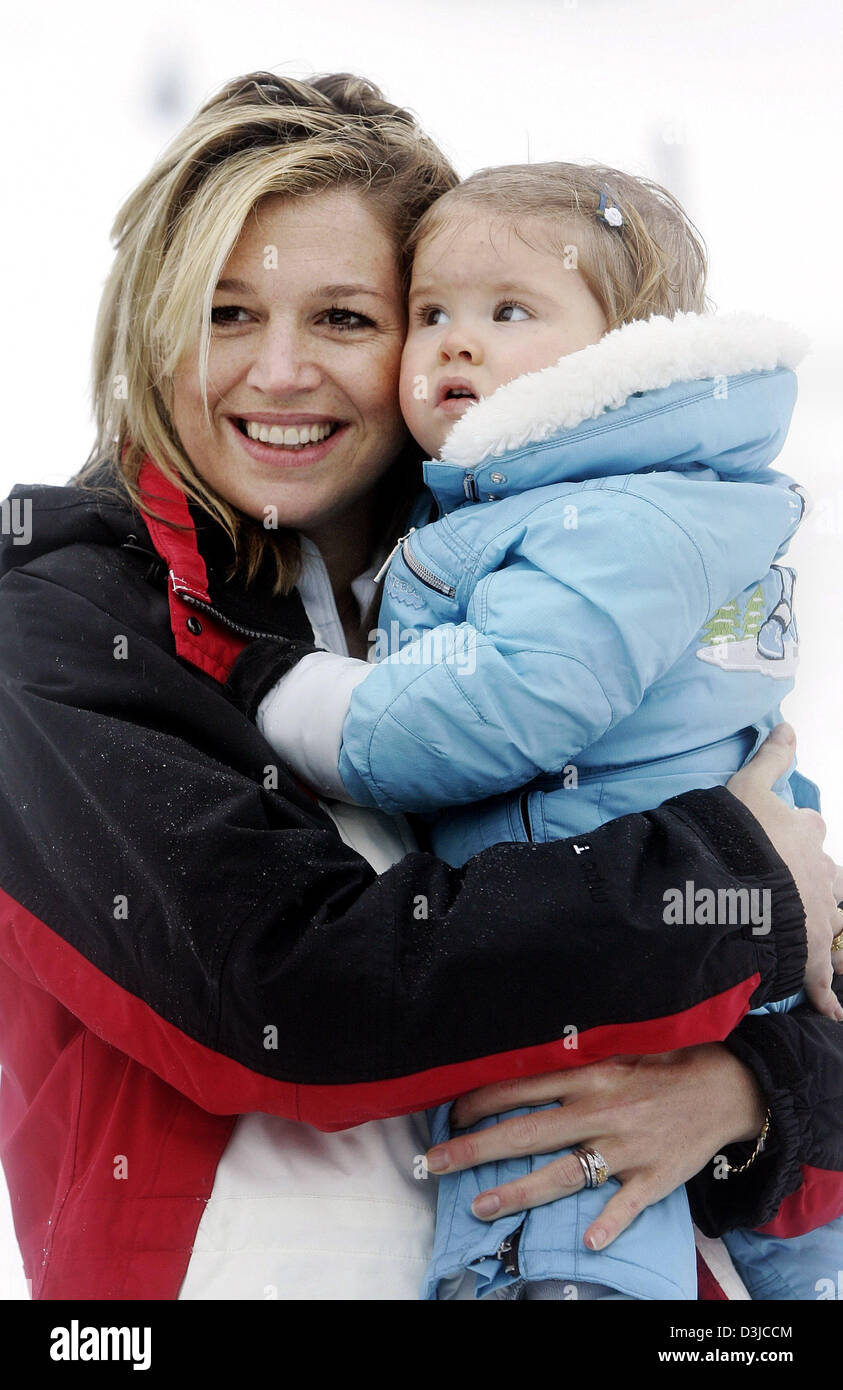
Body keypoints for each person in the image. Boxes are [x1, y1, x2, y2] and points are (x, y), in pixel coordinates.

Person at [0, 71, 840, 1303]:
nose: (280, 372)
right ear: (149, 327)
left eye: (344, 319)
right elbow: (284, 992)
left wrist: (747, 1094)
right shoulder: (68, 618)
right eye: (226, 314)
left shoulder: (549, 595)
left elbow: (812, 965)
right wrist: (727, 881)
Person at [255, 159, 843, 1299]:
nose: (455, 345)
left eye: (508, 312)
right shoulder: (610, 490)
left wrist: (306, 701)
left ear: (620, 354)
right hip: (699, 935)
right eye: (431, 314)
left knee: (554, 1190)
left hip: (599, 971)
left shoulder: (604, 514)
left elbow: (501, 709)